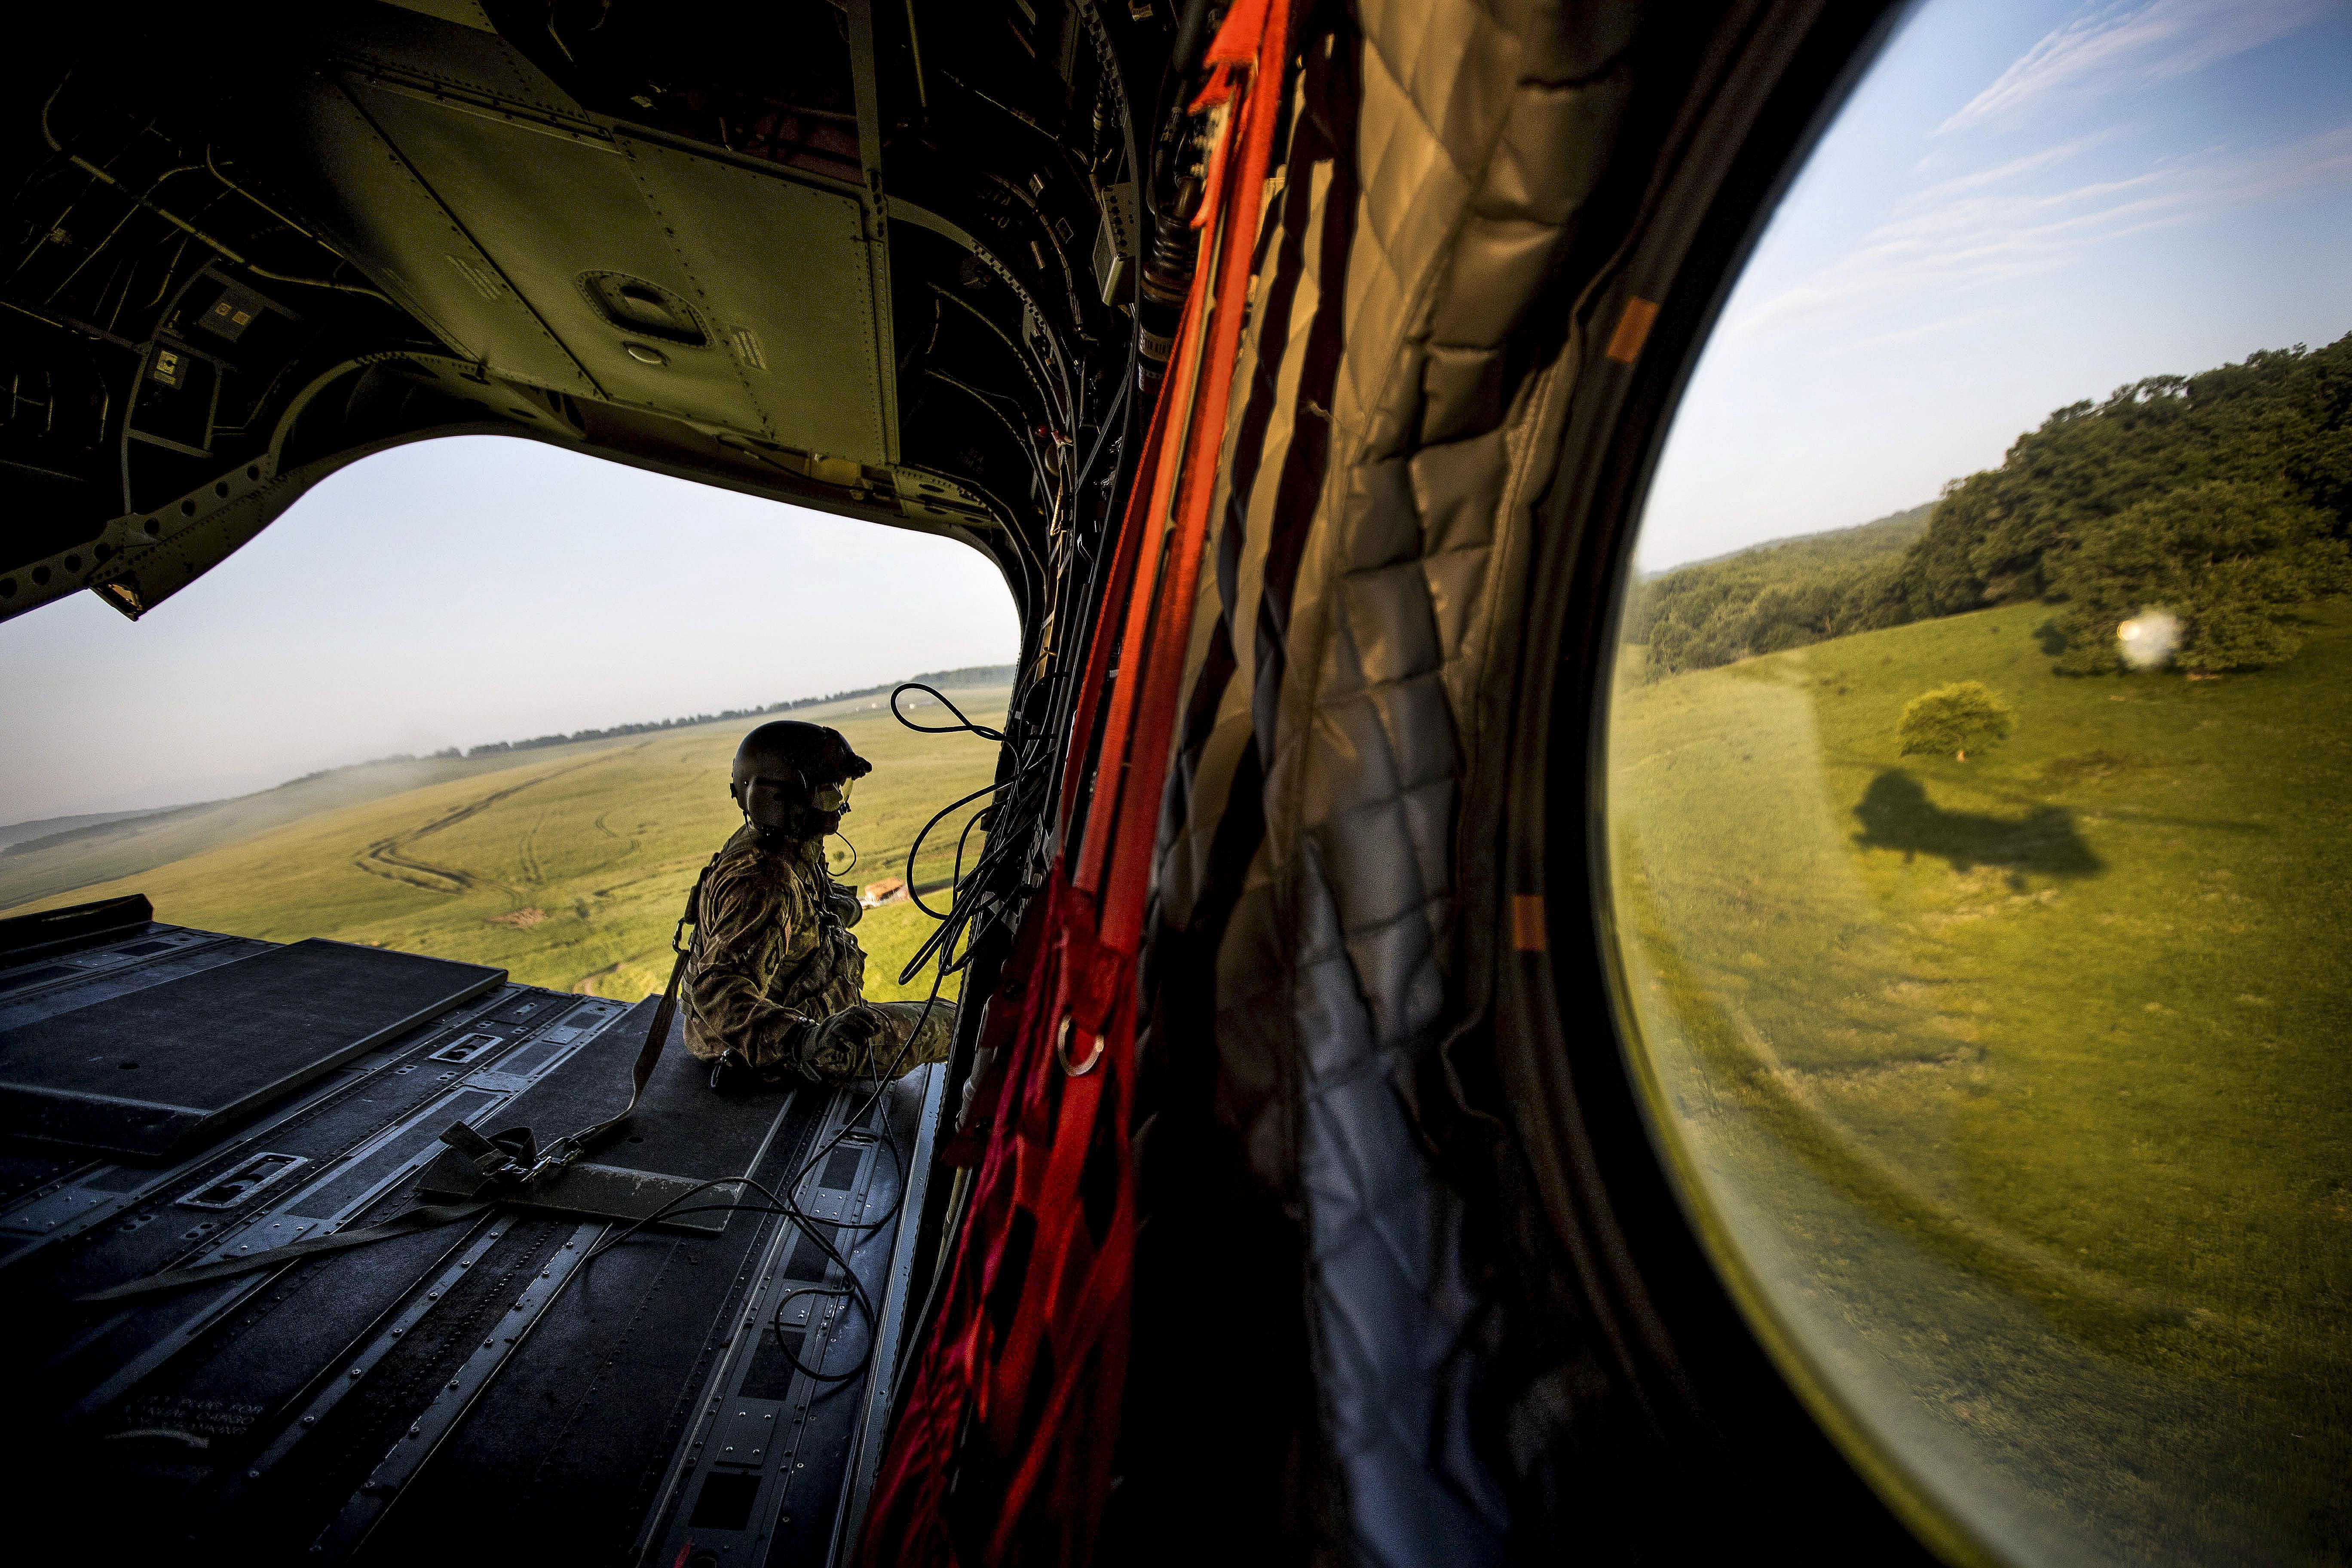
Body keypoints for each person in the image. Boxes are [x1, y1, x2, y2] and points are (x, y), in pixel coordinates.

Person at [683, 719, 952, 1093]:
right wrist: (803, 1040)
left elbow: (809, 906)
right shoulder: (763, 882)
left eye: (841, 791)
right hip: (789, 1046)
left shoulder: (782, 843)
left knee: (951, 1010)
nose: (840, 806)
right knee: (955, 1028)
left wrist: (848, 908)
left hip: (797, 1026)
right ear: (781, 799)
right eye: (826, 794)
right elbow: (717, 990)